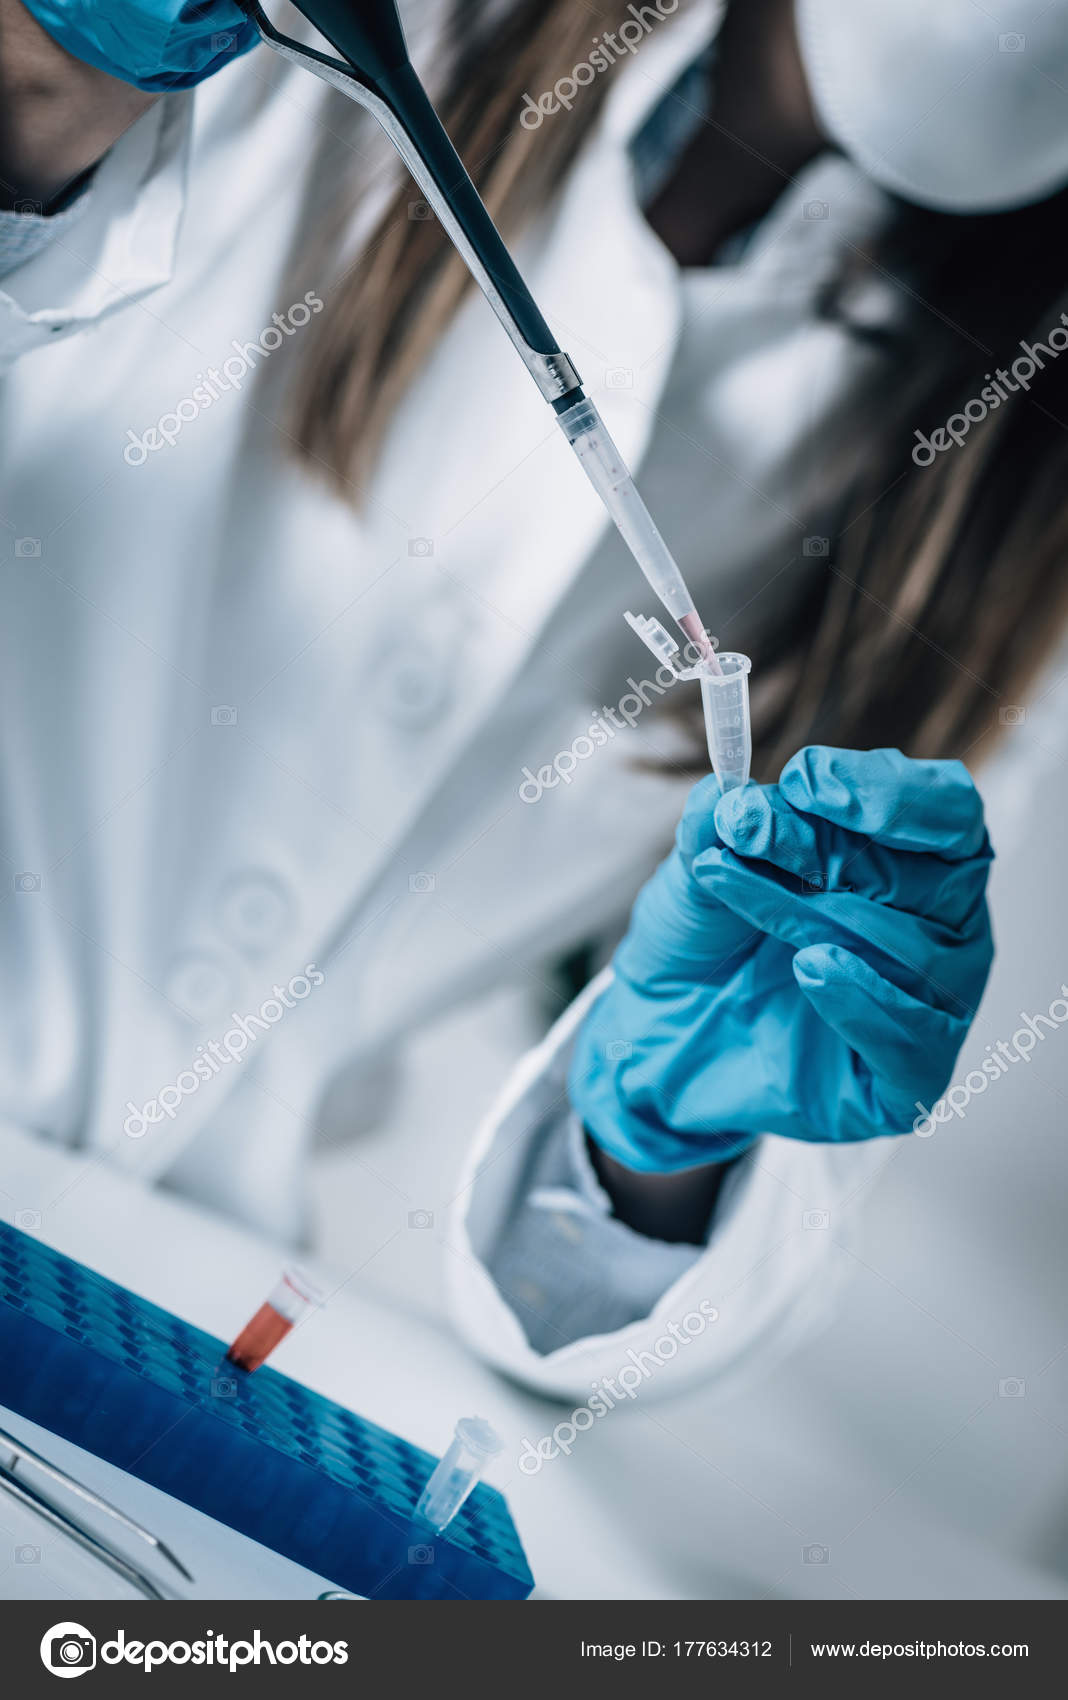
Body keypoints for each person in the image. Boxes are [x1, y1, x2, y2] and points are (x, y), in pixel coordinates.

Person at [1, 0, 1066, 1413]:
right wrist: (36, 88)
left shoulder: (1005, 499)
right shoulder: (342, 34)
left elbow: (640, 1289)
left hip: (177, 1316)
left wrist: (662, 1145)